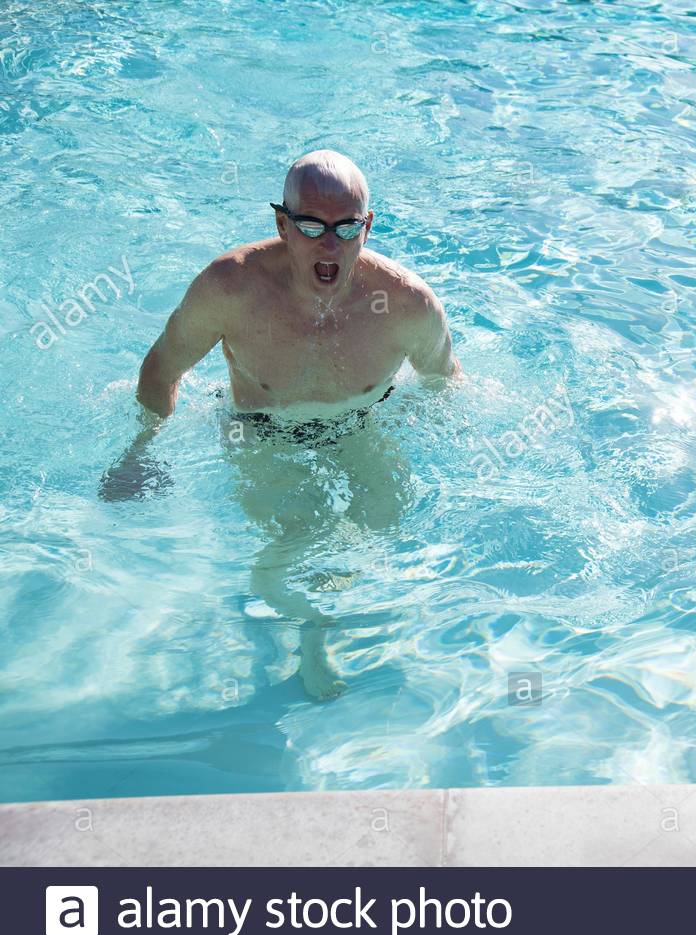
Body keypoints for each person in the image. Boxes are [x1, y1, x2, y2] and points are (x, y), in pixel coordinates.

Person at [101, 149, 459, 698]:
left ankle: (324, 612)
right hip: (258, 429)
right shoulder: (232, 288)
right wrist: (140, 450)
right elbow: (162, 366)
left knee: (381, 525)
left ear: (368, 225)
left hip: (358, 425)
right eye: (312, 226)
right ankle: (309, 625)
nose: (329, 245)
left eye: (345, 228)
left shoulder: (407, 304)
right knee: (295, 538)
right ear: (281, 225)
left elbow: (445, 382)